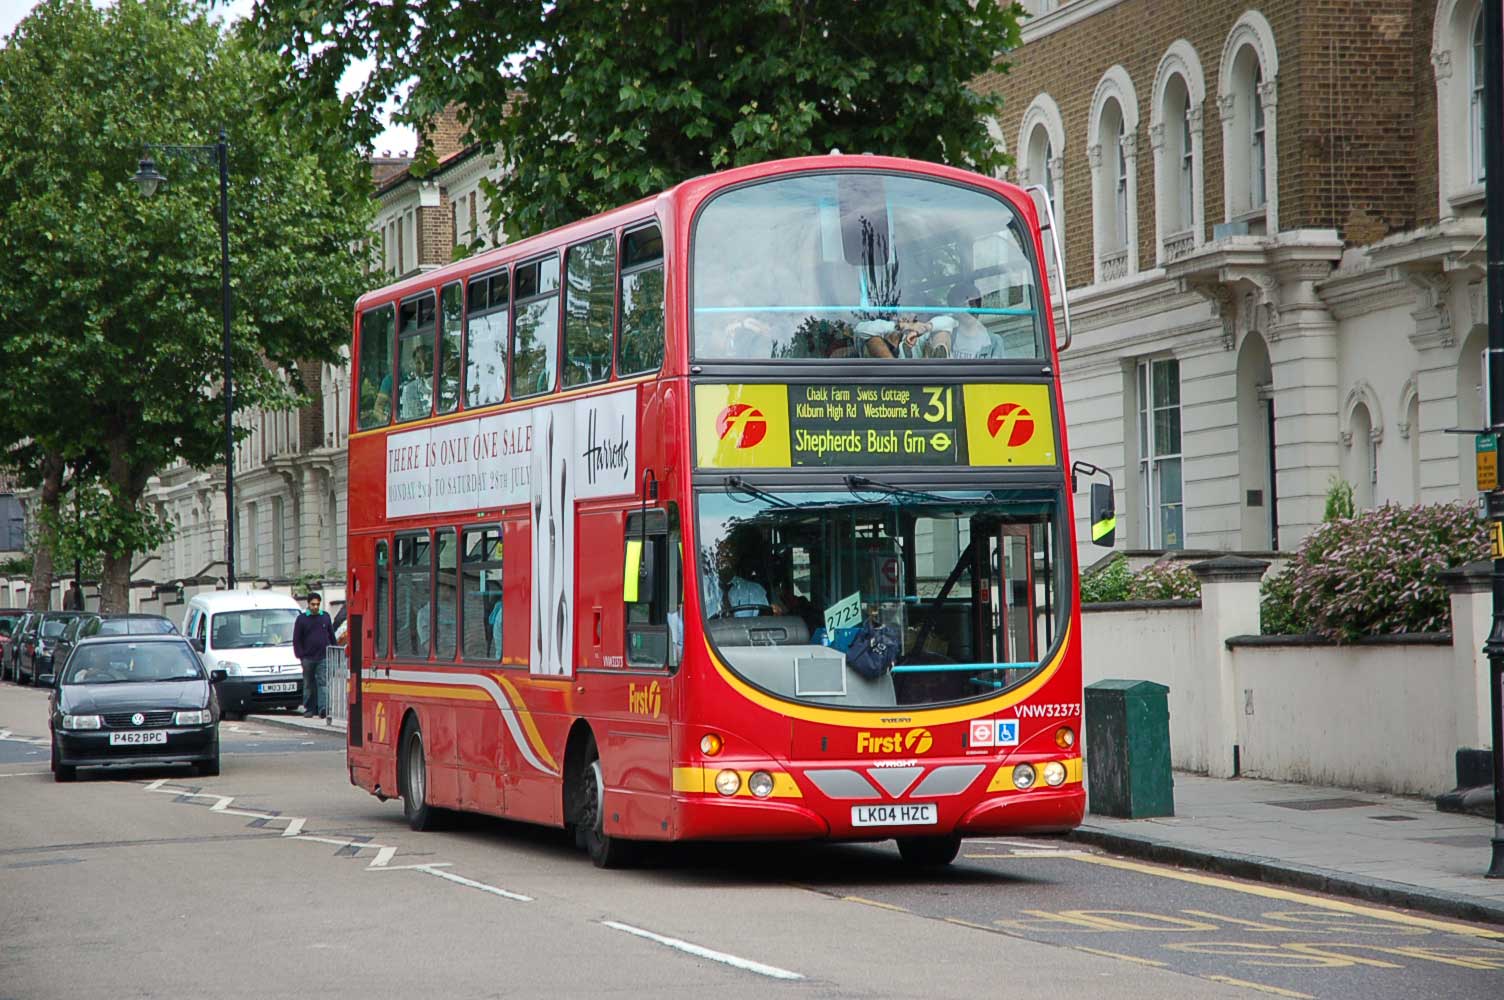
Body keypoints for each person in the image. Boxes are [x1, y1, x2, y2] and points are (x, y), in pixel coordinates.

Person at [292, 592, 337, 718]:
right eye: (313, 604)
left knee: (323, 683)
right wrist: (300, 655)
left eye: (317, 604)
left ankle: (323, 709)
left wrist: (335, 648)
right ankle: (309, 708)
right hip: (308, 658)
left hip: (323, 656)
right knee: (308, 684)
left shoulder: (325, 617)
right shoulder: (302, 619)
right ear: (308, 604)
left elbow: (331, 635)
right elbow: (297, 639)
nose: (315, 607)